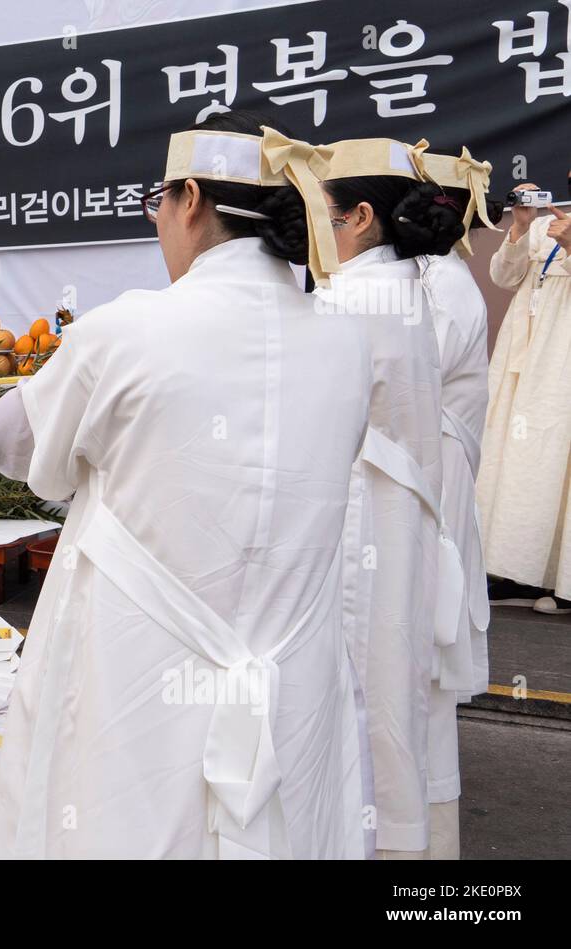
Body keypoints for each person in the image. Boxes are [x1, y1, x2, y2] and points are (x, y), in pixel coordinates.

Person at [0, 111, 371, 859]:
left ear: (189, 199)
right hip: (293, 666)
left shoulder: (129, 330)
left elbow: (13, 439)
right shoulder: (347, 340)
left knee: (120, 821)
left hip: (140, 666)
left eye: (159, 204)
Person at [317, 138, 462, 859]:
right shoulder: (402, 284)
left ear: (362, 215)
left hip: (359, 522)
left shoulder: (354, 295)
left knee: (361, 702)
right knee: (396, 696)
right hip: (397, 520)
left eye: (325, 215)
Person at [414, 148, 503, 859]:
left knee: (419, 671)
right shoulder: (432, 280)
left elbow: (408, 380)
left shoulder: (442, 288)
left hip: (431, 487)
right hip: (425, 483)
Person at [477, 172, 571, 615]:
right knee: (521, 466)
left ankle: (565, 582)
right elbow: (502, 276)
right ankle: (517, 571)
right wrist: (518, 226)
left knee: (560, 461)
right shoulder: (539, 225)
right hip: (524, 357)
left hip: (562, 360)